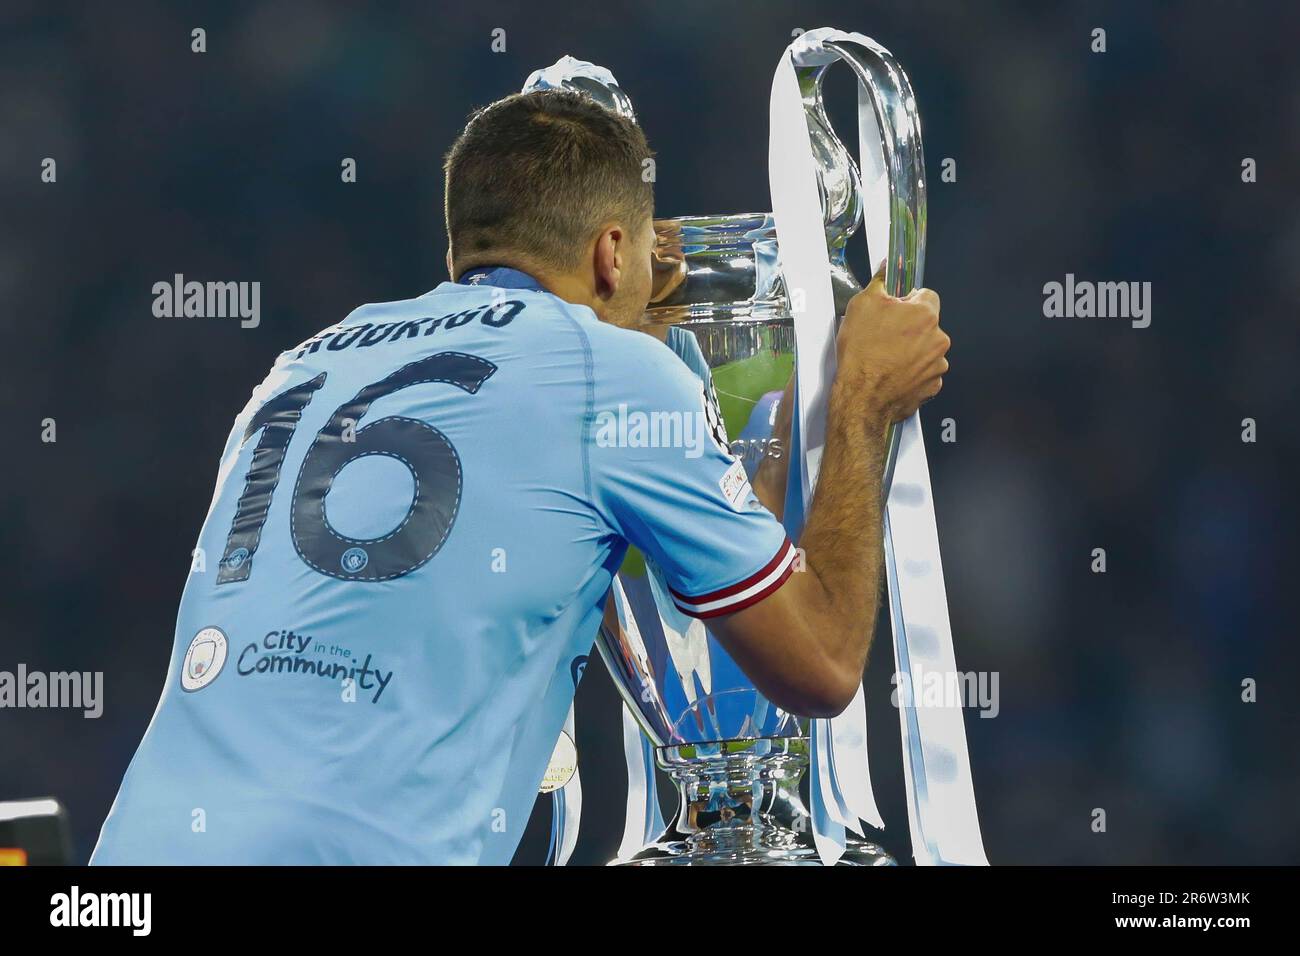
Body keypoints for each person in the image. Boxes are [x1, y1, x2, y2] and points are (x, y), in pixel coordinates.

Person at [91, 89, 948, 865]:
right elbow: (822, 666)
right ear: (613, 253)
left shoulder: (295, 371)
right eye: (650, 255)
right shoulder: (608, 375)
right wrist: (861, 402)